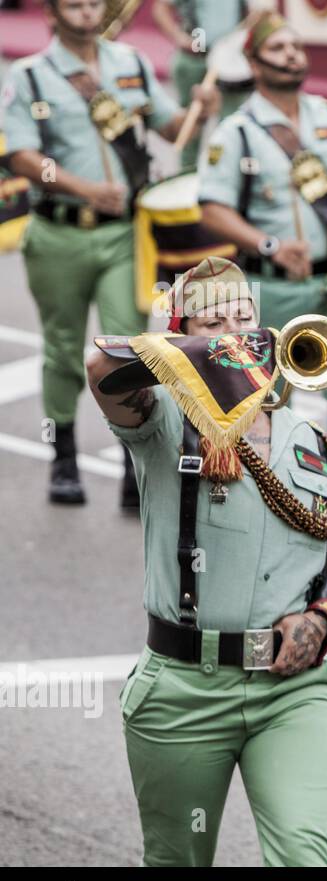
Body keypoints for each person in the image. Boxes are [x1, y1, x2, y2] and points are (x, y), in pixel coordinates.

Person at [85, 256, 327, 865]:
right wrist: (189, 358)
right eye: (215, 321)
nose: (237, 331)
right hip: (184, 686)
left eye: (246, 317)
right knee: (176, 861)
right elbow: (101, 365)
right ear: (183, 336)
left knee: (305, 857)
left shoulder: (308, 439)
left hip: (293, 691)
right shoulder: (163, 423)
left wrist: (321, 623)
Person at [199, 10, 327, 564]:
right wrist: (266, 244)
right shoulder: (235, 132)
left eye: (296, 46)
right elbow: (210, 208)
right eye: (278, 48)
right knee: (266, 400)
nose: (291, 54)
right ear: (255, 62)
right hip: (272, 288)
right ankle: (270, 502)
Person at [1, 0, 215, 508]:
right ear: (52, 15)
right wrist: (81, 187)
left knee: (129, 349)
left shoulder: (131, 63)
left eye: (93, 3)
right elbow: (23, 158)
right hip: (59, 234)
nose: (86, 12)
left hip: (123, 236)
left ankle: (133, 465)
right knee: (61, 350)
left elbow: (169, 128)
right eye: (74, 5)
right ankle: (64, 458)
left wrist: (199, 108)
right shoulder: (31, 76)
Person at [152, 0, 252, 169]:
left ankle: (225, 177)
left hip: (229, 61)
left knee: (231, 126)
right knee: (190, 124)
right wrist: (181, 38)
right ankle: (186, 176)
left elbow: (247, 13)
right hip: (195, 59)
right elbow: (160, 8)